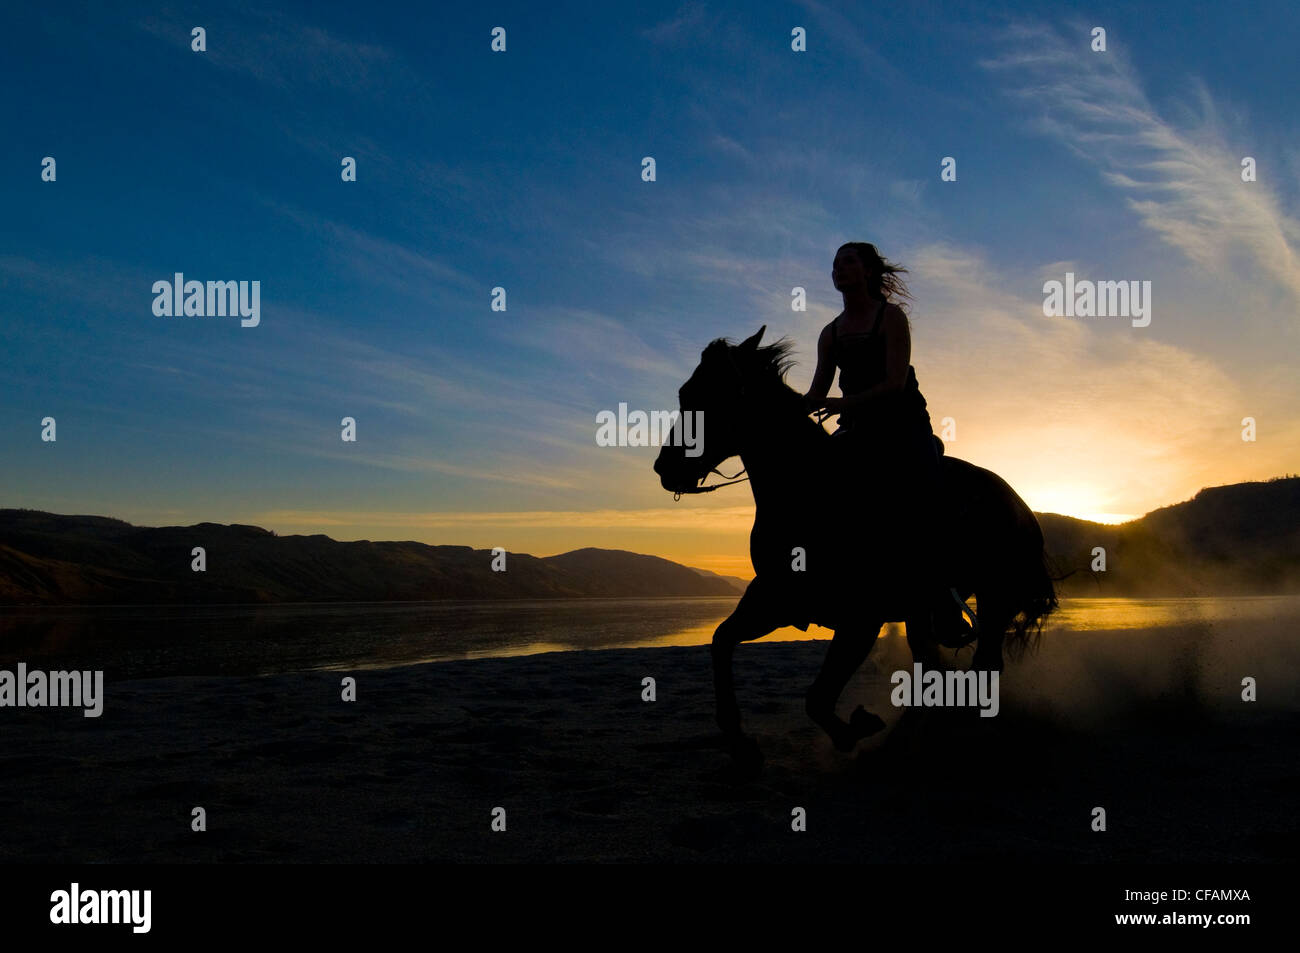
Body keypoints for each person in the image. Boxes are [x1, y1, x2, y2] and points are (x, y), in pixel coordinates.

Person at [802, 241, 971, 644]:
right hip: (857, 428)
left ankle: (945, 599)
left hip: (903, 424)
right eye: (834, 264)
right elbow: (815, 395)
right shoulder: (830, 333)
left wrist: (842, 403)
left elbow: (895, 384)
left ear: (868, 271)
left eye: (848, 261)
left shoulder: (890, 317)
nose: (838, 268)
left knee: (926, 495)